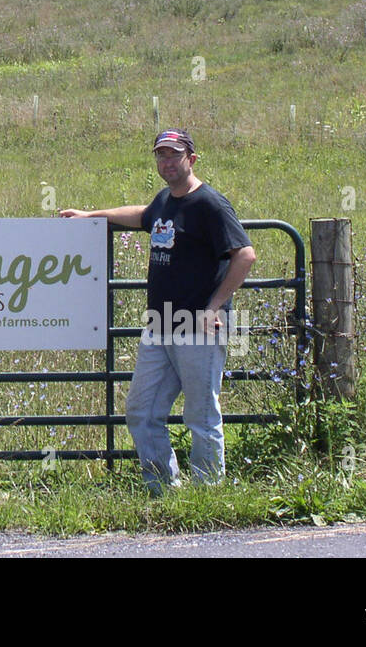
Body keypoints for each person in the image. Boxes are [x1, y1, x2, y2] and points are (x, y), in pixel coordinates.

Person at [59, 128, 256, 494]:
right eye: (161, 155)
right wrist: (91, 215)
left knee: (200, 415)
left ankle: (208, 494)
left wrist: (214, 307)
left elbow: (244, 254)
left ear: (191, 159)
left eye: (174, 154)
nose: (167, 162)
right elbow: (142, 215)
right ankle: (162, 489)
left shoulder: (210, 204)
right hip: (159, 323)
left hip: (197, 325)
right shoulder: (166, 200)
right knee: (142, 411)